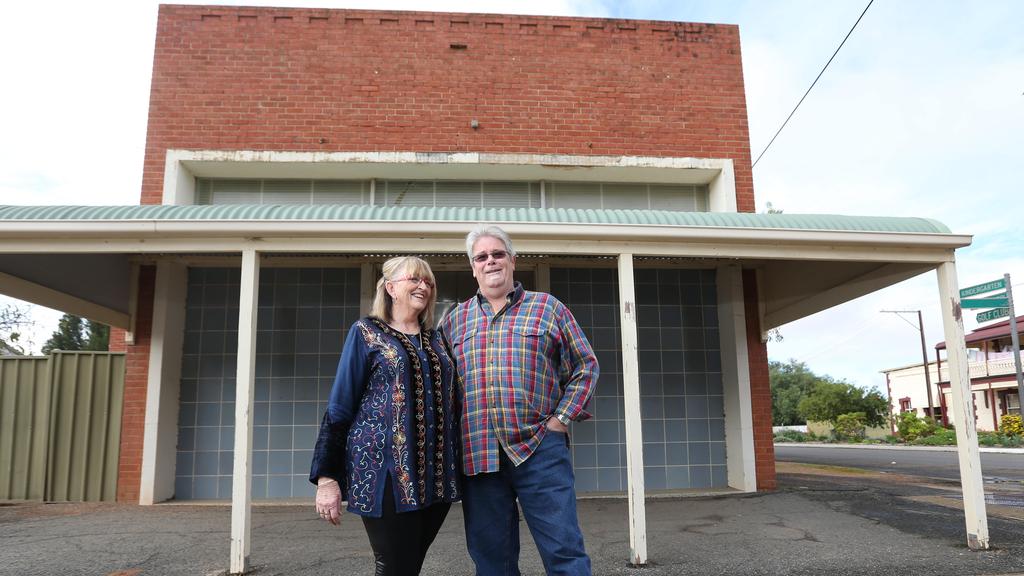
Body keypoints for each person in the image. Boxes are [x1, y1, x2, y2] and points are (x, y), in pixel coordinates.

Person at [441, 225, 598, 576]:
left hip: (539, 449)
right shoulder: (454, 320)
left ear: (513, 260)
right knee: (491, 560)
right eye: (481, 257)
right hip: (478, 455)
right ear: (473, 267)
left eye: (497, 254)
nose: (490, 261)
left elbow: (586, 365)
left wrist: (560, 420)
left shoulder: (548, 308)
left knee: (564, 552)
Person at [311, 256, 462, 576]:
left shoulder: (438, 339)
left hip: (436, 479)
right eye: (415, 279)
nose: (424, 286)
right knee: (393, 566)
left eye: (429, 282)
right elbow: (340, 406)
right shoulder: (367, 333)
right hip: (385, 474)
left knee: (409, 566)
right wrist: (327, 477)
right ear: (391, 287)